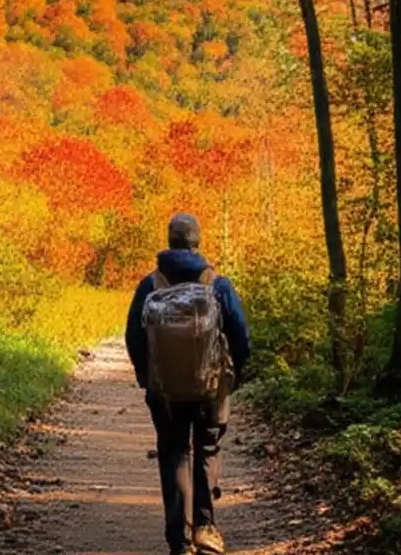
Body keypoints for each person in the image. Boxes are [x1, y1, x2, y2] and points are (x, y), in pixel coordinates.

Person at [125, 213, 251, 555]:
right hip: (211, 388)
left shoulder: (151, 285)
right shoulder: (217, 284)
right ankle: (206, 530)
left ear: (170, 241)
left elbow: (133, 338)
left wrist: (147, 377)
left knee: (175, 453)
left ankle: (179, 540)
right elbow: (240, 336)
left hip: (165, 392)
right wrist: (232, 374)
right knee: (207, 450)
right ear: (197, 242)